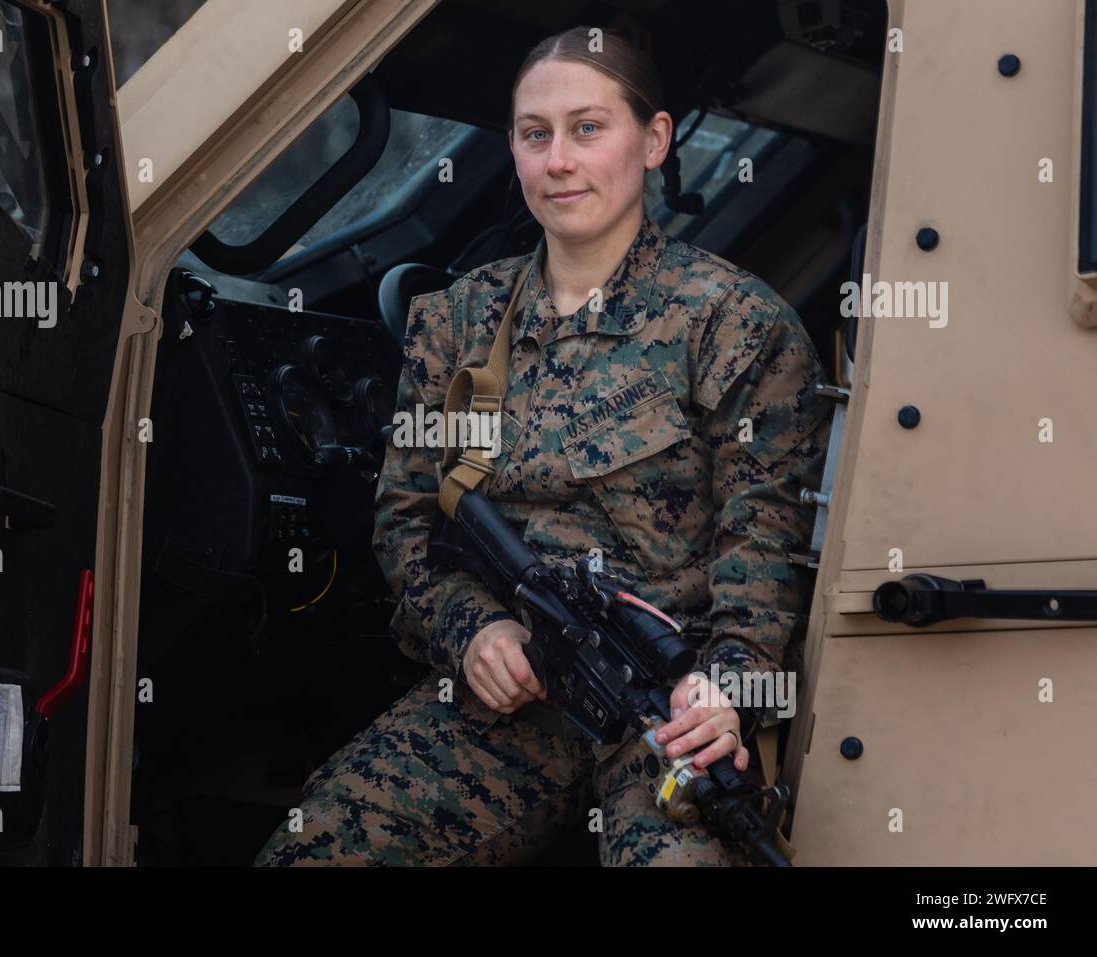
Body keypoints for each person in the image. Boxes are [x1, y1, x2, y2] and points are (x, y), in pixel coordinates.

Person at [255, 25, 830, 866]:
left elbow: (766, 548)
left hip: (667, 705)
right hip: (506, 696)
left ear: (655, 139)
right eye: (535, 134)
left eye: (589, 128)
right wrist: (474, 629)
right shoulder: (455, 322)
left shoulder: (738, 326)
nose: (558, 160)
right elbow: (408, 518)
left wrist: (726, 689)